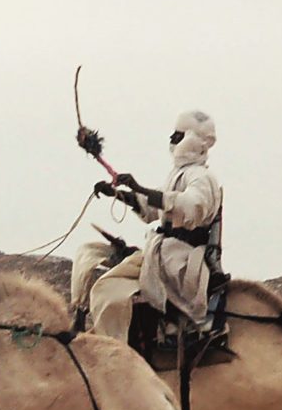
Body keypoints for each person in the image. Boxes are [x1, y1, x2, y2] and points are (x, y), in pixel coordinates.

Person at [87, 110, 223, 343]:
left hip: (180, 258)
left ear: (191, 138)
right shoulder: (179, 174)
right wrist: (117, 194)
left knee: (108, 291)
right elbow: (152, 208)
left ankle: (118, 347)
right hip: (163, 251)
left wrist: (139, 188)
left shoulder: (201, 177)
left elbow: (190, 207)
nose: (172, 140)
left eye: (177, 135)